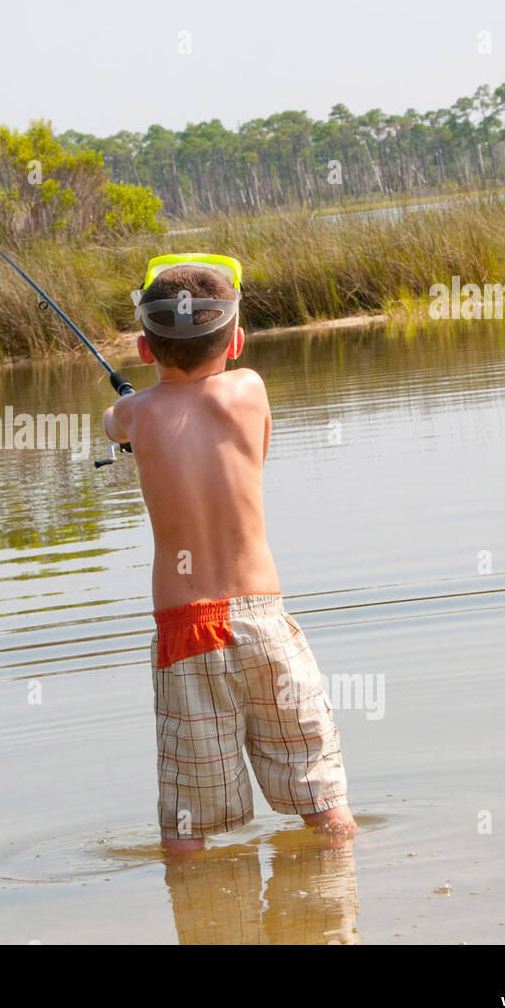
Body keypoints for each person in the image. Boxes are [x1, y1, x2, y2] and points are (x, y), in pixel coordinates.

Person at [103, 254, 355, 852]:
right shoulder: (249, 391)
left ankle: (198, 907)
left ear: (144, 348)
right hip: (263, 620)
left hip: (187, 632)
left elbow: (114, 423)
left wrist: (135, 410)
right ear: (236, 340)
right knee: (320, 791)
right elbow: (252, 451)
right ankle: (344, 873)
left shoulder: (135, 413)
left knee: (189, 819)